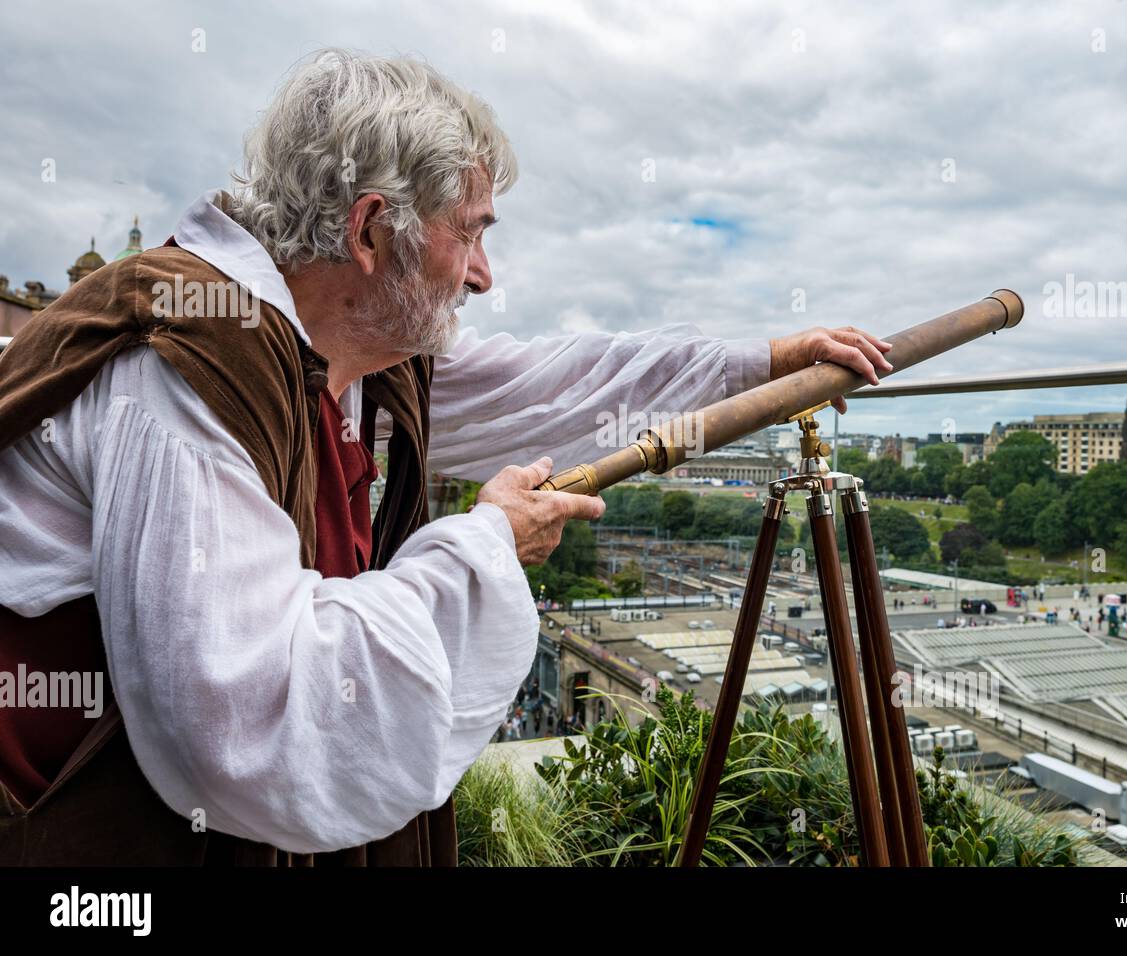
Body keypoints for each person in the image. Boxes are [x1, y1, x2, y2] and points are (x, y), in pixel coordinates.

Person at [0, 50, 895, 866]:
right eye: (470, 231)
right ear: (370, 232)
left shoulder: (336, 354)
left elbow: (552, 386)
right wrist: (486, 546)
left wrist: (768, 360)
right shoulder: (188, 369)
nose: (483, 274)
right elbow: (247, 721)